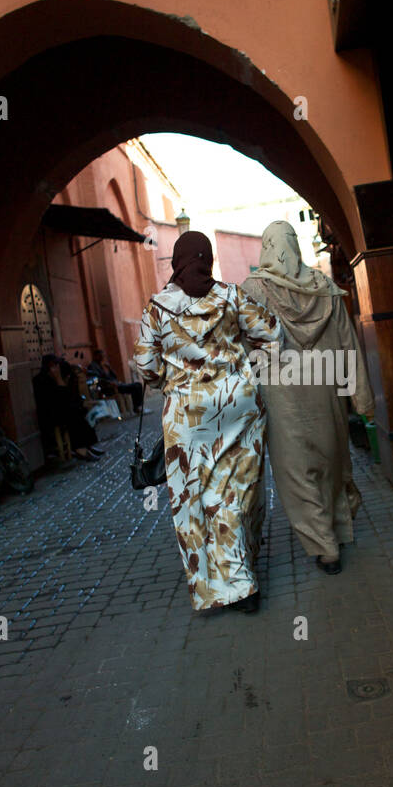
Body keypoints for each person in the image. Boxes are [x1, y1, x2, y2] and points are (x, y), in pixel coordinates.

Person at [133, 230, 282, 613]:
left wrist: (169, 380)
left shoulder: (157, 307)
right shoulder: (232, 296)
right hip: (237, 407)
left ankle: (226, 587)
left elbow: (146, 366)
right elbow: (272, 333)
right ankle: (242, 576)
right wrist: (248, 370)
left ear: (176, 262)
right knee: (235, 492)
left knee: (195, 499)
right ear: (208, 259)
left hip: (188, 416)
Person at [242, 220, 375, 574]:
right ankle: (339, 530)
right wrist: (361, 399)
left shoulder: (252, 290)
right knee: (332, 461)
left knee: (297, 472)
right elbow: (349, 347)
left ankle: (324, 545)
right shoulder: (324, 288)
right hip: (326, 389)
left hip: (280, 397)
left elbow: (242, 350)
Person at [32, 354, 105, 462]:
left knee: (81, 409)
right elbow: (56, 400)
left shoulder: (54, 378)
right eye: (55, 365)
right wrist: (59, 380)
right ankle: (80, 449)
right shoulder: (41, 380)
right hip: (49, 415)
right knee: (73, 414)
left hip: (59, 410)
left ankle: (87, 445)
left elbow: (67, 397)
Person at [87, 347, 143, 412]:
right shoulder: (93, 366)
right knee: (136, 386)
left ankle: (138, 406)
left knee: (138, 385)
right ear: (96, 356)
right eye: (101, 356)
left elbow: (114, 377)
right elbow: (97, 379)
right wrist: (109, 383)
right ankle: (137, 407)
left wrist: (109, 368)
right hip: (110, 387)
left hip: (116, 384)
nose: (103, 358)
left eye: (103, 356)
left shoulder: (101, 365)